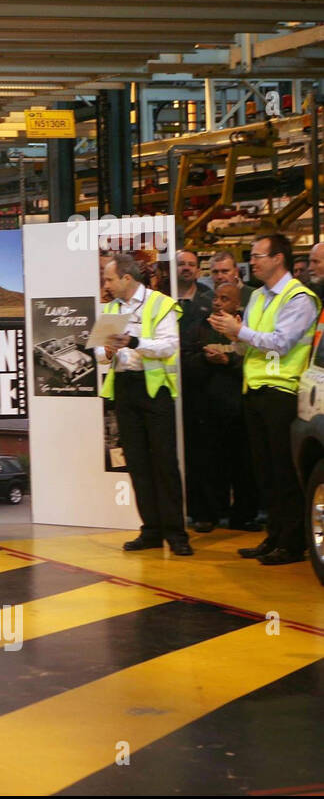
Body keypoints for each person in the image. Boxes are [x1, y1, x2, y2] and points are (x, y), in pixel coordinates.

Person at [208, 233, 321, 565]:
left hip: (282, 392)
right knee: (265, 471)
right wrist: (232, 336)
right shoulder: (257, 296)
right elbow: (251, 345)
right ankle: (274, 535)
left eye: (257, 256)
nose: (252, 261)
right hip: (255, 390)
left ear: (278, 259)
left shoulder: (299, 298)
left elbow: (281, 343)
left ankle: (292, 542)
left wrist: (239, 331)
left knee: (284, 471)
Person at [97, 252, 192, 555]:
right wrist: (107, 351)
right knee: (137, 463)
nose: (105, 284)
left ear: (127, 278)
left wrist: (134, 342)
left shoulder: (159, 303)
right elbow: (99, 353)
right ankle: (150, 530)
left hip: (154, 390)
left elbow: (169, 346)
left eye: (109, 279)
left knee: (165, 463)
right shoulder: (111, 308)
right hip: (125, 389)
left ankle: (176, 534)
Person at [198, 282, 261, 531]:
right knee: (211, 464)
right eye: (216, 297)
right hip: (209, 407)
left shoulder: (248, 329)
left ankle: (243, 516)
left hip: (241, 406)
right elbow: (187, 358)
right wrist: (204, 359)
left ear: (237, 304)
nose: (217, 302)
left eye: (225, 299)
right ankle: (210, 515)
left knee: (244, 466)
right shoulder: (202, 327)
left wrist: (228, 360)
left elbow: (257, 360)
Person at [175, 250, 217, 532]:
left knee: (203, 452)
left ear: (199, 270)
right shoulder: (162, 298)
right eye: (181, 264)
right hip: (168, 384)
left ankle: (205, 512)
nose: (187, 268)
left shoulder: (210, 300)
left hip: (203, 385)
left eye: (192, 264)